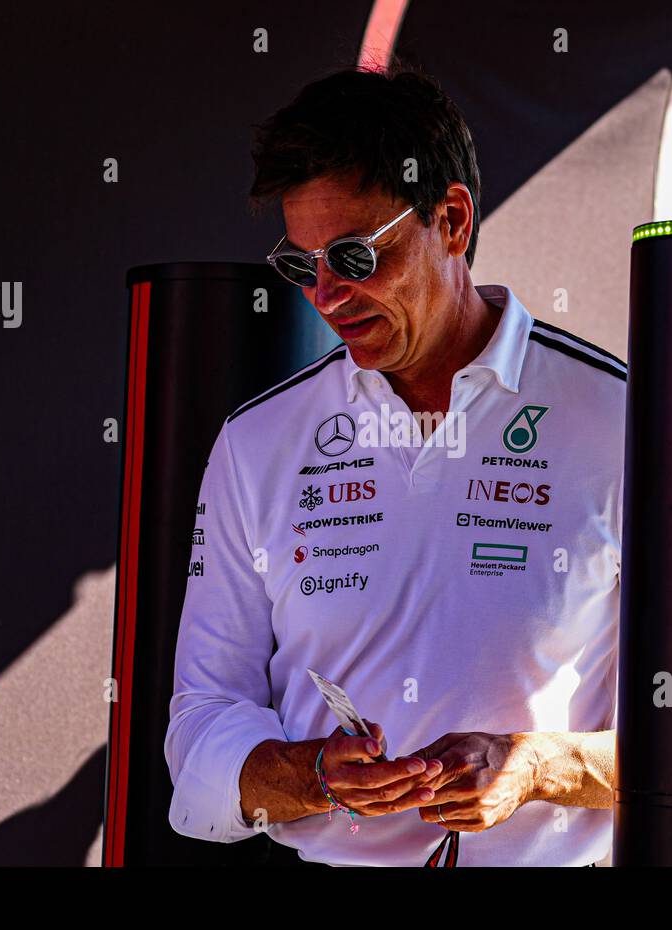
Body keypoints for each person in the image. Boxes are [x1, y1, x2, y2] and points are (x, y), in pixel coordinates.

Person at [163, 62, 625, 866]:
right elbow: (203, 714)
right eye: (304, 265)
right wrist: (311, 774)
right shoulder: (258, 441)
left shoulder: (623, 419)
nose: (327, 296)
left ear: (451, 220)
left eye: (353, 254)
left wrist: (537, 766)